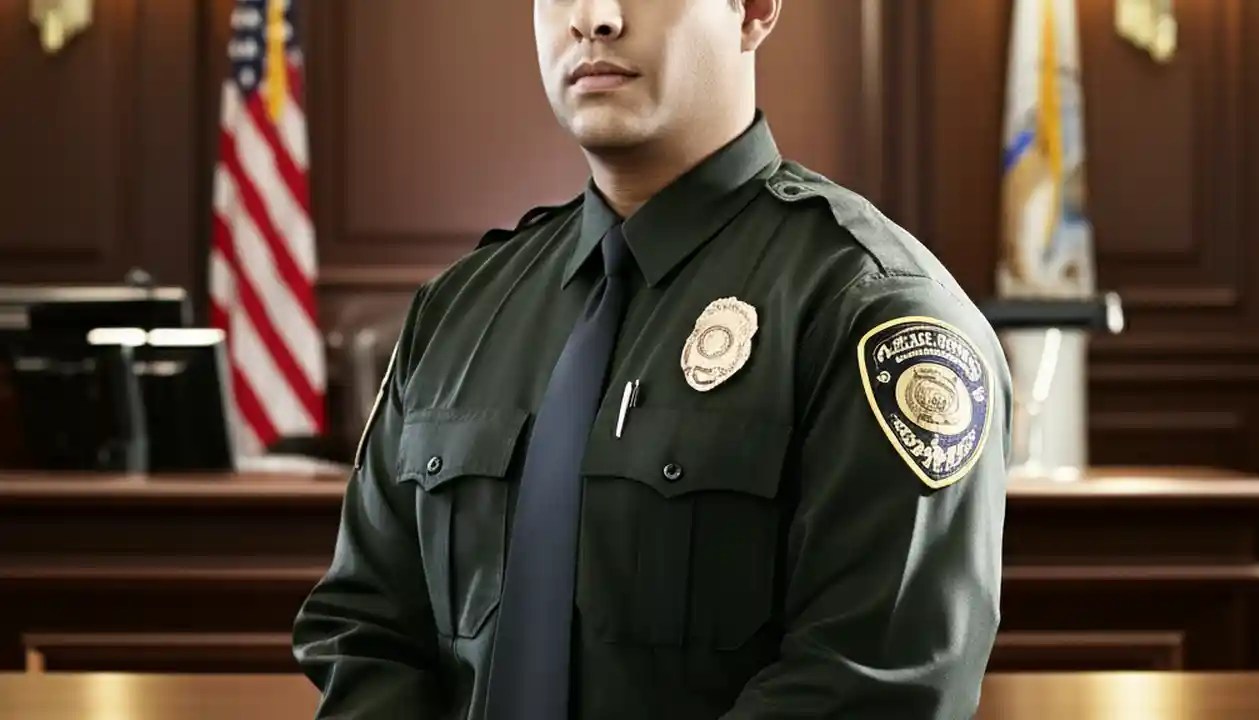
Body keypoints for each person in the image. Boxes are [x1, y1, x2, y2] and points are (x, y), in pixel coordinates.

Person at [292, 0, 1012, 718]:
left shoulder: (875, 314)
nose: (595, 18)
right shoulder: (458, 313)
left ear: (754, 11)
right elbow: (368, 632)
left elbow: (869, 685)